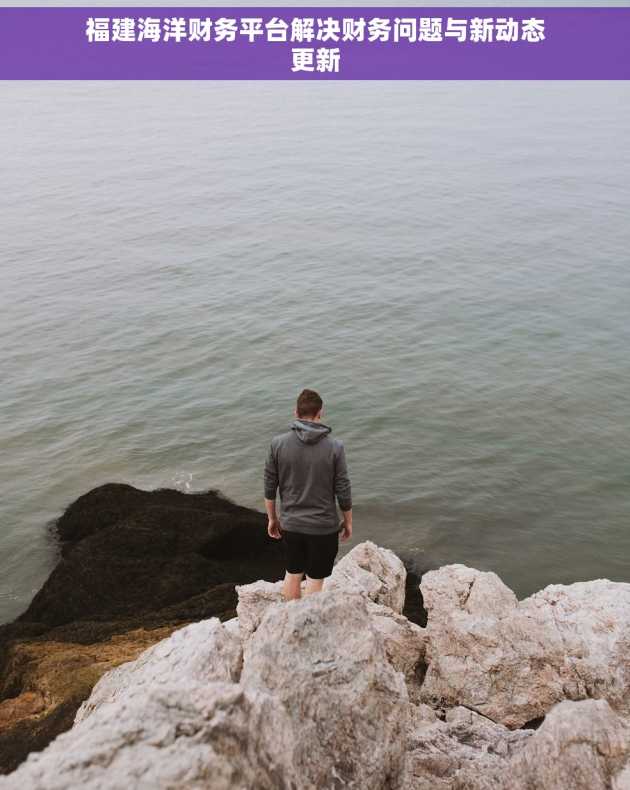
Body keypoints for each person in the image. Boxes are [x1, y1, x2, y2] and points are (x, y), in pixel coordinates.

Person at [264, 388, 353, 601]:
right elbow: (343, 488)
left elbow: (269, 486)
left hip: (292, 525)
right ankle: (308, 624)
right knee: (315, 579)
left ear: (296, 412)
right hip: (323, 528)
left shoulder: (278, 444)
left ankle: (292, 620)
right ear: (320, 413)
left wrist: (272, 519)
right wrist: (348, 521)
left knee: (293, 573)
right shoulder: (335, 447)